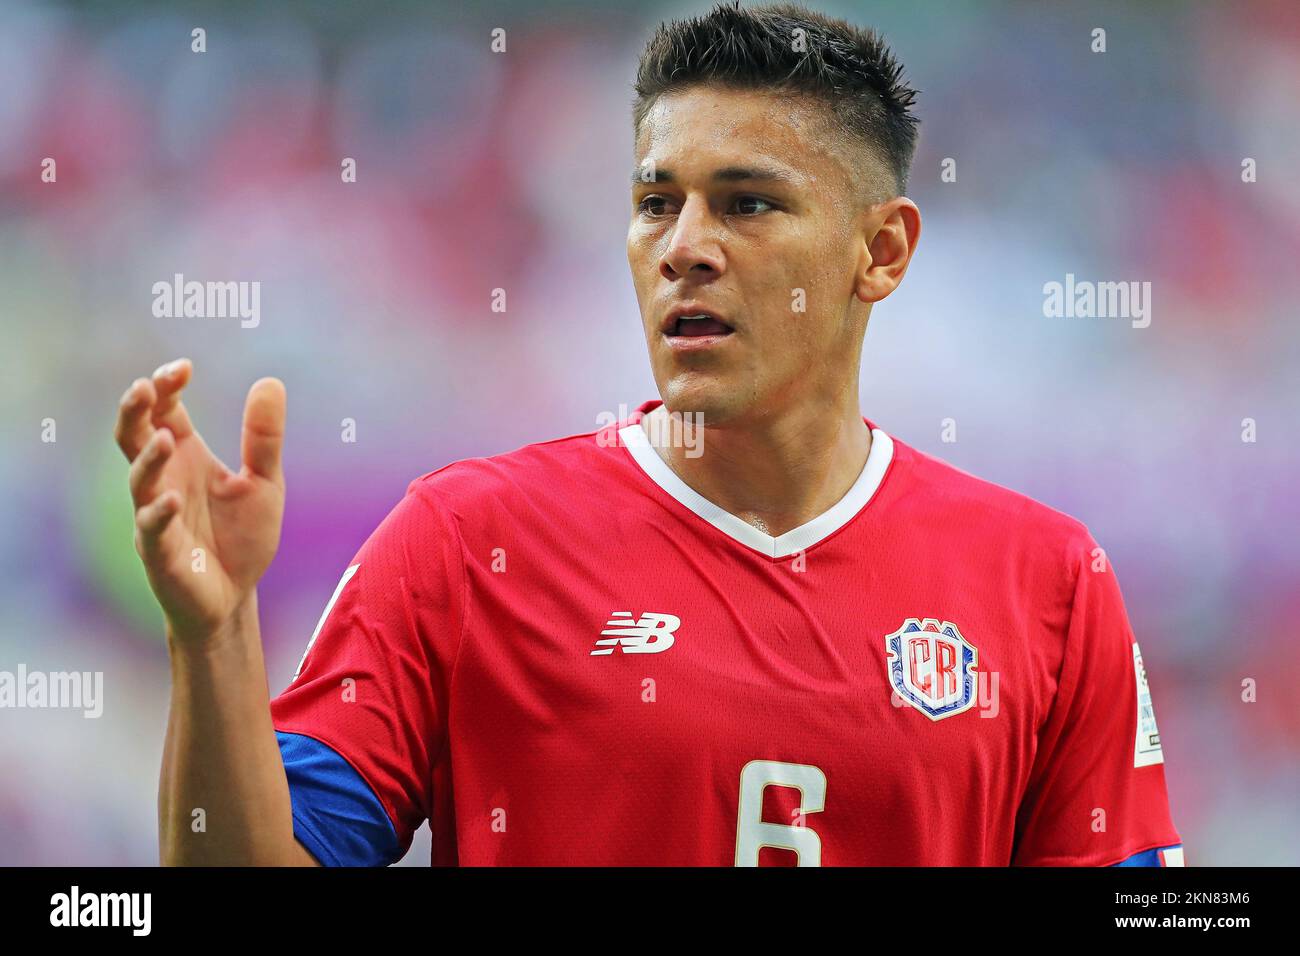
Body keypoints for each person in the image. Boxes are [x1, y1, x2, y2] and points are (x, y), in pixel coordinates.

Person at [115, 1, 1181, 866]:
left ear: (881, 251)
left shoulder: (1045, 581)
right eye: (655, 202)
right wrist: (213, 639)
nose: (684, 248)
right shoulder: (466, 539)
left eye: (748, 204)